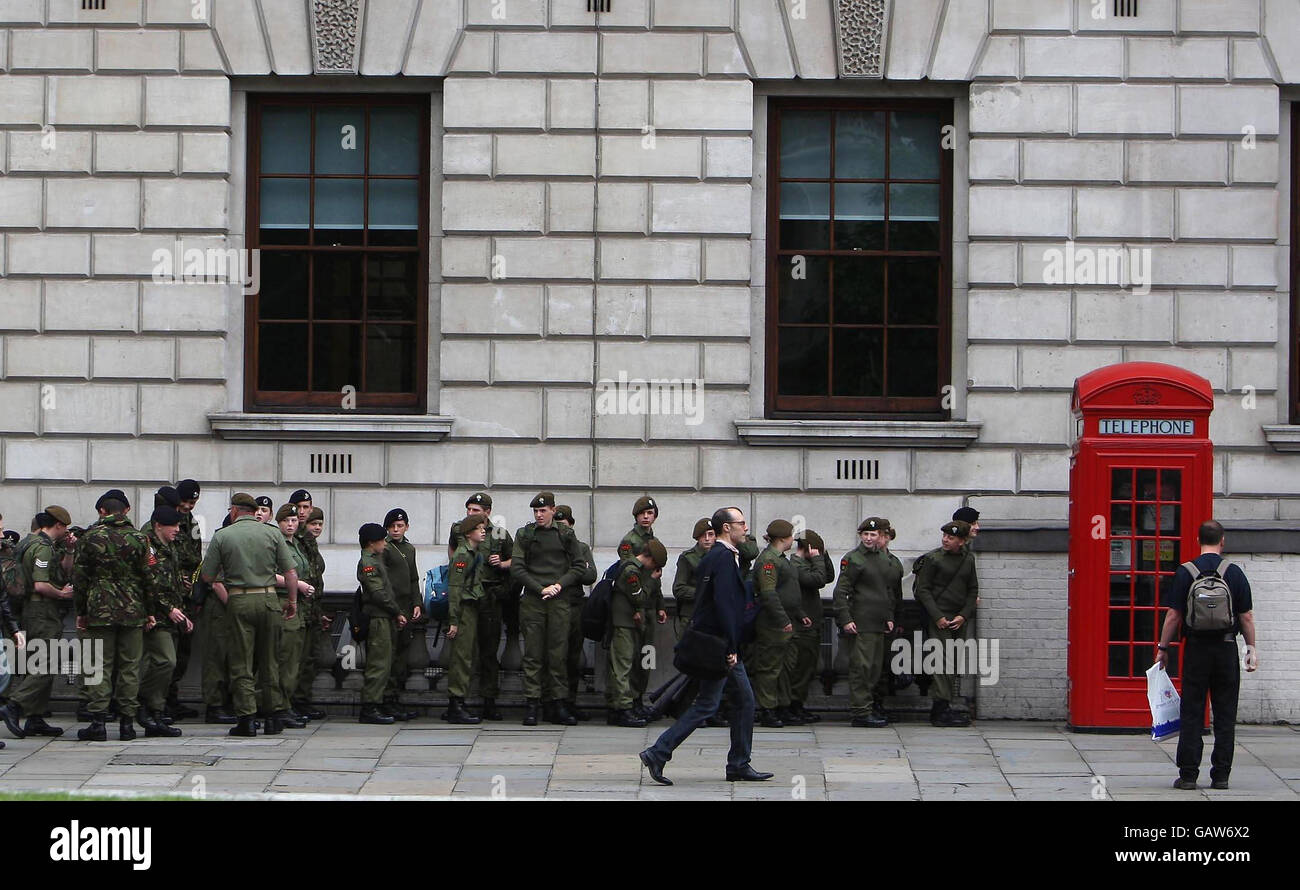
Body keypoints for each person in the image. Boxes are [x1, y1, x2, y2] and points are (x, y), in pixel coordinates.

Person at [639, 507, 770, 786]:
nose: (745, 528)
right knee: (709, 704)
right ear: (727, 528)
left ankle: (737, 763)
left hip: (717, 641)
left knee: (737, 701)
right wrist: (730, 647)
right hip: (720, 643)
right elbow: (724, 606)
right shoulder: (722, 558)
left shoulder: (720, 556)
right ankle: (659, 752)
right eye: (741, 523)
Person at [1157, 520, 1257, 791]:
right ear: (1222, 540)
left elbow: (1173, 615)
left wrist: (1162, 649)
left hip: (1196, 650)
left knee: (1192, 712)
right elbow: (1245, 616)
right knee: (1225, 714)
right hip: (1225, 649)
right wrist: (1250, 649)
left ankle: (1188, 775)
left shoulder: (1185, 572)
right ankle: (1221, 776)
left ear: (1197, 539)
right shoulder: (1234, 573)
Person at [199, 493, 299, 737]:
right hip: (269, 598)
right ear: (254, 512)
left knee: (241, 661)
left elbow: (207, 576)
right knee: (270, 660)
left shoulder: (223, 536)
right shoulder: (273, 533)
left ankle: (247, 719)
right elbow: (291, 573)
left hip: (239, 599)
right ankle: (274, 716)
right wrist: (293, 602)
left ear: (234, 511)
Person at [72, 493, 158, 742]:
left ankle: (98, 722)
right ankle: (127, 725)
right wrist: (150, 611)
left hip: (99, 610)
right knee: (130, 666)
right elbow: (149, 578)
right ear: (127, 510)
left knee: (99, 665)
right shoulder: (141, 539)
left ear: (102, 511)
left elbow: (80, 579)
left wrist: (81, 612)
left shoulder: (89, 538)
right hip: (134, 610)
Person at [512, 491, 585, 727]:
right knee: (533, 655)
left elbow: (578, 566)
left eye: (543, 511)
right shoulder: (525, 534)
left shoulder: (565, 534)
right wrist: (539, 588)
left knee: (558, 655)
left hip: (559, 600)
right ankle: (532, 703)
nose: (539, 515)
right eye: (536, 511)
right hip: (534, 601)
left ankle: (558, 703)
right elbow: (517, 567)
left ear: (553, 510)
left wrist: (558, 585)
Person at [0, 507, 74, 739]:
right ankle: (15, 705)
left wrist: (69, 552)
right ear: (58, 525)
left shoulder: (27, 542)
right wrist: (62, 595)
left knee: (37, 661)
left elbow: (60, 571)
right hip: (41, 609)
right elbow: (42, 585)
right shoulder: (42, 548)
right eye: (65, 528)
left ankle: (35, 716)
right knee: (49, 661)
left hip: (30, 610)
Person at [449, 493, 511, 721]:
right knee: (464, 653)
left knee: (489, 650)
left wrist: (503, 564)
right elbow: (454, 558)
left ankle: (489, 700)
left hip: (490, 596)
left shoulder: (499, 534)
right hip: (468, 597)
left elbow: (517, 561)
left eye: (476, 510)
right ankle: (457, 703)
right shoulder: (460, 531)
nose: (470, 514)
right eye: (469, 510)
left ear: (488, 511)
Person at [833, 518, 900, 728]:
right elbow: (841, 591)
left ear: (880, 536)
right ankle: (861, 711)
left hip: (878, 622)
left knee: (873, 669)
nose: (869, 539)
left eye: (873, 535)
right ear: (860, 535)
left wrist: (889, 617)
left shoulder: (883, 558)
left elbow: (888, 590)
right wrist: (845, 619)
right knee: (861, 668)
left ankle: (868, 707)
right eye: (865, 535)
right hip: (860, 622)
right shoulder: (854, 559)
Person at [913, 520, 977, 727]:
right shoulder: (934, 559)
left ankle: (945, 705)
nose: (945, 540)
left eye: (951, 538)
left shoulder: (968, 559)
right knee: (941, 663)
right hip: (939, 618)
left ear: (962, 540)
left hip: (958, 619)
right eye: (945, 536)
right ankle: (939, 709)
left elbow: (972, 589)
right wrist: (938, 616)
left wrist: (964, 615)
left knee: (954, 662)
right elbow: (923, 590)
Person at [606, 537, 668, 728]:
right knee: (622, 665)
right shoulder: (631, 570)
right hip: (623, 623)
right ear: (649, 559)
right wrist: (651, 580)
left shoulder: (640, 569)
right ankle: (621, 709)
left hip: (637, 624)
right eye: (654, 565)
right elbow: (639, 597)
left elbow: (652, 593)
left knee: (641, 662)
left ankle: (633, 702)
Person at [137, 506, 189, 737]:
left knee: (165, 664)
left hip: (170, 615)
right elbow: (149, 584)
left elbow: (168, 580)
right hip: (154, 617)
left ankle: (153, 713)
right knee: (166, 661)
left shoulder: (170, 548)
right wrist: (169, 610)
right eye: (173, 526)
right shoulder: (147, 548)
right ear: (159, 525)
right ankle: (140, 703)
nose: (177, 530)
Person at [618, 496, 667, 718]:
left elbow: (655, 578)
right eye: (643, 513)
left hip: (648, 605)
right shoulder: (630, 541)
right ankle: (625, 703)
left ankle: (638, 698)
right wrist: (636, 609)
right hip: (634, 606)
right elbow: (630, 575)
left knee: (647, 656)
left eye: (650, 513)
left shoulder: (653, 540)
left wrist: (660, 606)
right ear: (636, 516)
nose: (647, 517)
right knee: (628, 658)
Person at [750, 520, 799, 728]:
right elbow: (768, 593)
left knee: (784, 667)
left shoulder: (780, 559)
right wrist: (782, 620)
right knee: (769, 667)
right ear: (782, 539)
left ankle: (782, 705)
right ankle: (767, 709)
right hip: (772, 624)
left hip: (785, 621)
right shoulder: (768, 561)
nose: (793, 540)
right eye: (790, 537)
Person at [443, 514, 488, 725]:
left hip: (471, 608)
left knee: (467, 656)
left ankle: (459, 701)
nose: (483, 531)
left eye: (483, 528)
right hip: (462, 610)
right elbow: (454, 589)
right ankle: (456, 704)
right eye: (479, 528)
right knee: (461, 658)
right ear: (469, 533)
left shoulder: (474, 553)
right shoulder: (463, 555)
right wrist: (453, 620)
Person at [271, 504, 312, 728]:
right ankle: (278, 707)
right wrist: (299, 585)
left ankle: (285, 704)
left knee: (294, 659)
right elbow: (269, 572)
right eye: (286, 520)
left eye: (294, 520)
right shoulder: (276, 543)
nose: (290, 524)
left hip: (299, 606)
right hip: (282, 603)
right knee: (283, 658)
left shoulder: (297, 544)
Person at [357, 522, 402, 725]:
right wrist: (396, 611)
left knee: (385, 662)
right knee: (378, 664)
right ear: (371, 543)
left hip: (384, 617)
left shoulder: (375, 559)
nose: (384, 544)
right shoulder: (368, 562)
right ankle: (370, 706)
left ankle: (376, 702)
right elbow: (377, 593)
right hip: (378, 618)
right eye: (382, 540)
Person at [555, 505, 597, 721]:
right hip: (555, 605)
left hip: (575, 605)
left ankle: (570, 700)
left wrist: (573, 570)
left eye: (564, 525)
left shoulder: (580, 548)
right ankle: (555, 701)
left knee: (573, 657)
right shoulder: (549, 547)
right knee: (556, 657)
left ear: (571, 525)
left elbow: (590, 574)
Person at [167, 480, 203, 721]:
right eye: (185, 502)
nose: (189, 507)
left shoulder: (193, 524)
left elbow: (197, 559)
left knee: (182, 653)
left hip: (187, 598)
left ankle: (173, 699)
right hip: (169, 597)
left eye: (193, 503)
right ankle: (163, 702)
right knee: (167, 654)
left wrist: (194, 583)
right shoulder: (163, 522)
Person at [381, 508, 421, 722]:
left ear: (406, 526)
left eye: (400, 526)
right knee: (390, 654)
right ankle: (386, 698)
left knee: (402, 656)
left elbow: (414, 578)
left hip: (406, 606)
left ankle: (395, 697)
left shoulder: (409, 548)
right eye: (392, 526)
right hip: (391, 608)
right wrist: (394, 610)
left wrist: (417, 603)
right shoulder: (384, 548)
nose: (396, 530)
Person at [786, 530, 830, 723]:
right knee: (800, 668)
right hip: (801, 627)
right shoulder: (796, 565)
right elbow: (818, 580)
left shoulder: (807, 563)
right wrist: (818, 559)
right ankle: (792, 705)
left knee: (807, 667)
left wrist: (823, 556)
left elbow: (828, 576)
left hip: (811, 624)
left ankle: (798, 705)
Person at [293, 506, 329, 719]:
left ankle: (302, 700)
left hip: (313, 609)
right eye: (313, 523)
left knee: (309, 660)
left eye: (320, 524)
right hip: (301, 608)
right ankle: (294, 701)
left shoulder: (311, 544)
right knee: (299, 659)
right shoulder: (300, 543)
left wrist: (320, 612)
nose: (316, 527)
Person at [672, 518, 714, 638]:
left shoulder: (720, 555)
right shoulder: (688, 558)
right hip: (691, 614)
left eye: (710, 534)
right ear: (697, 537)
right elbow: (679, 588)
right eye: (703, 535)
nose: (707, 539)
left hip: (712, 614)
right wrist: (703, 593)